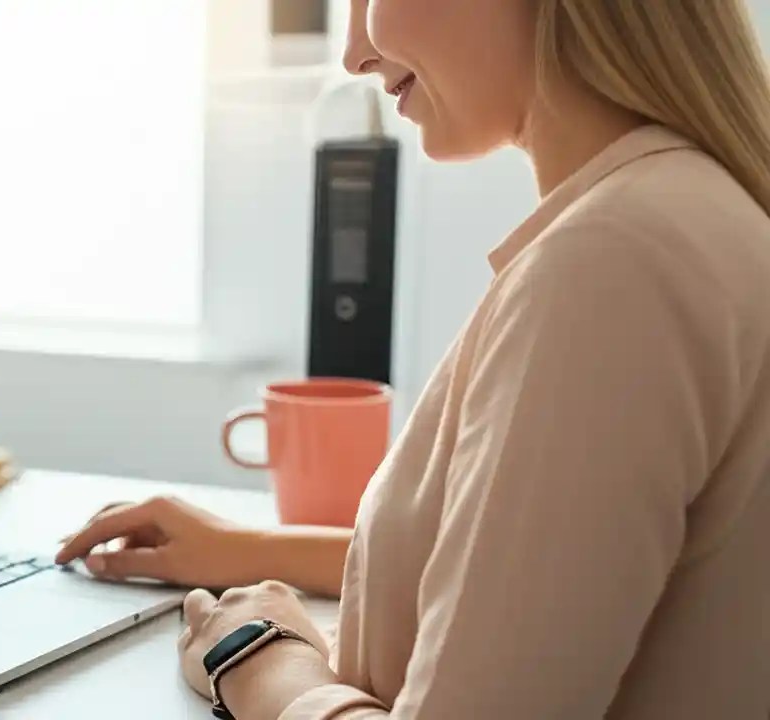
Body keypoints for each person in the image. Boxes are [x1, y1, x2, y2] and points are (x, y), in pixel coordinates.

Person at [55, 0, 770, 717]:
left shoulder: (610, 264)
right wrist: (248, 546)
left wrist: (257, 657)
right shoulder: (685, 215)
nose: (355, 53)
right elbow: (528, 571)